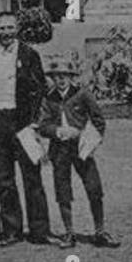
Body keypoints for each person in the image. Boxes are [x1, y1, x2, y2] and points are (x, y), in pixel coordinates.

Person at [0, 10, 50, 245]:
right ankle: (12, 230)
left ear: (17, 28)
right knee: (4, 178)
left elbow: (40, 88)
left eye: (10, 27)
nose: (6, 32)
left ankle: (40, 231)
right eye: (1, 28)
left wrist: (34, 121)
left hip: (23, 121)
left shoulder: (29, 54)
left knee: (32, 177)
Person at [37, 54, 119, 248]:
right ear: (52, 78)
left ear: (72, 76)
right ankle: (69, 233)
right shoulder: (48, 98)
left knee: (94, 187)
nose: (61, 79)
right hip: (59, 149)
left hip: (81, 148)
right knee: (62, 190)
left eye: (65, 75)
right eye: (56, 76)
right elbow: (43, 125)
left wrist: (87, 138)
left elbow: (98, 120)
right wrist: (57, 131)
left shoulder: (82, 94)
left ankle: (100, 232)